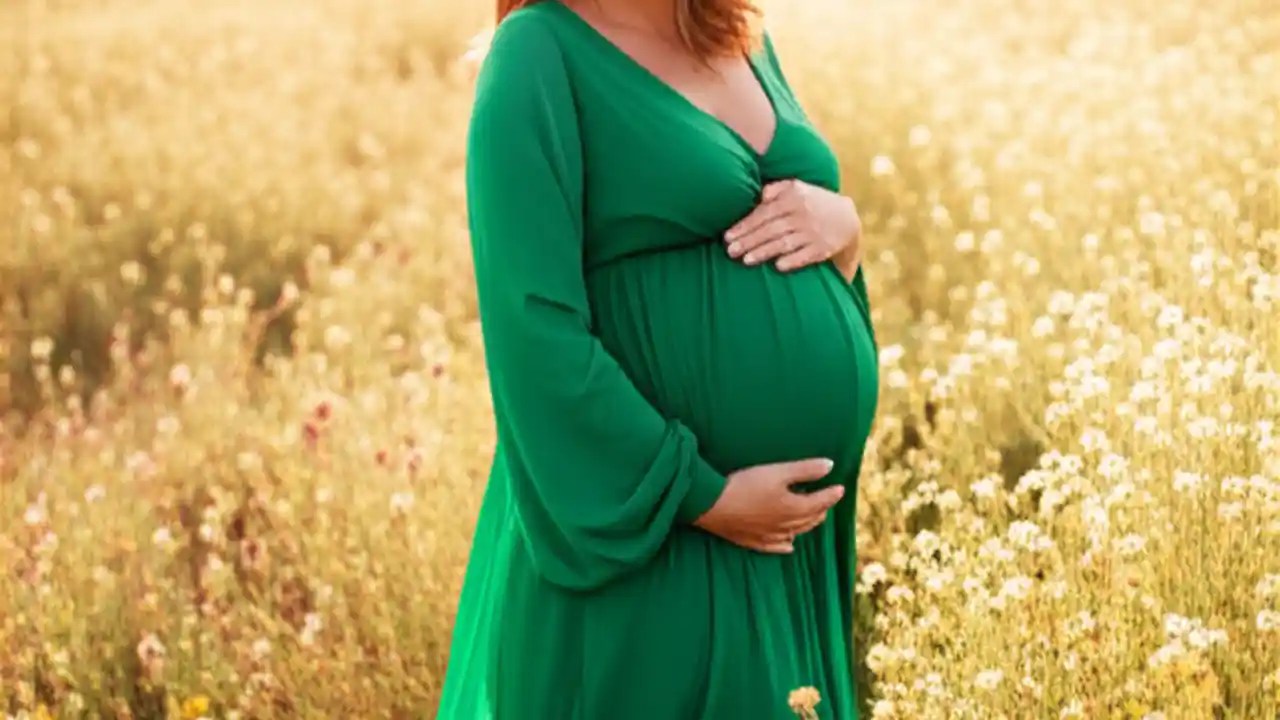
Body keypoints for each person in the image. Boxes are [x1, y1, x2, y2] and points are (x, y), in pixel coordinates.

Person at [437, 0, 880, 717]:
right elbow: (533, 329)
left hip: (787, 548)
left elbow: (806, 247)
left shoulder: (738, 33)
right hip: (654, 541)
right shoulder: (535, 55)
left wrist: (845, 228)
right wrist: (701, 496)